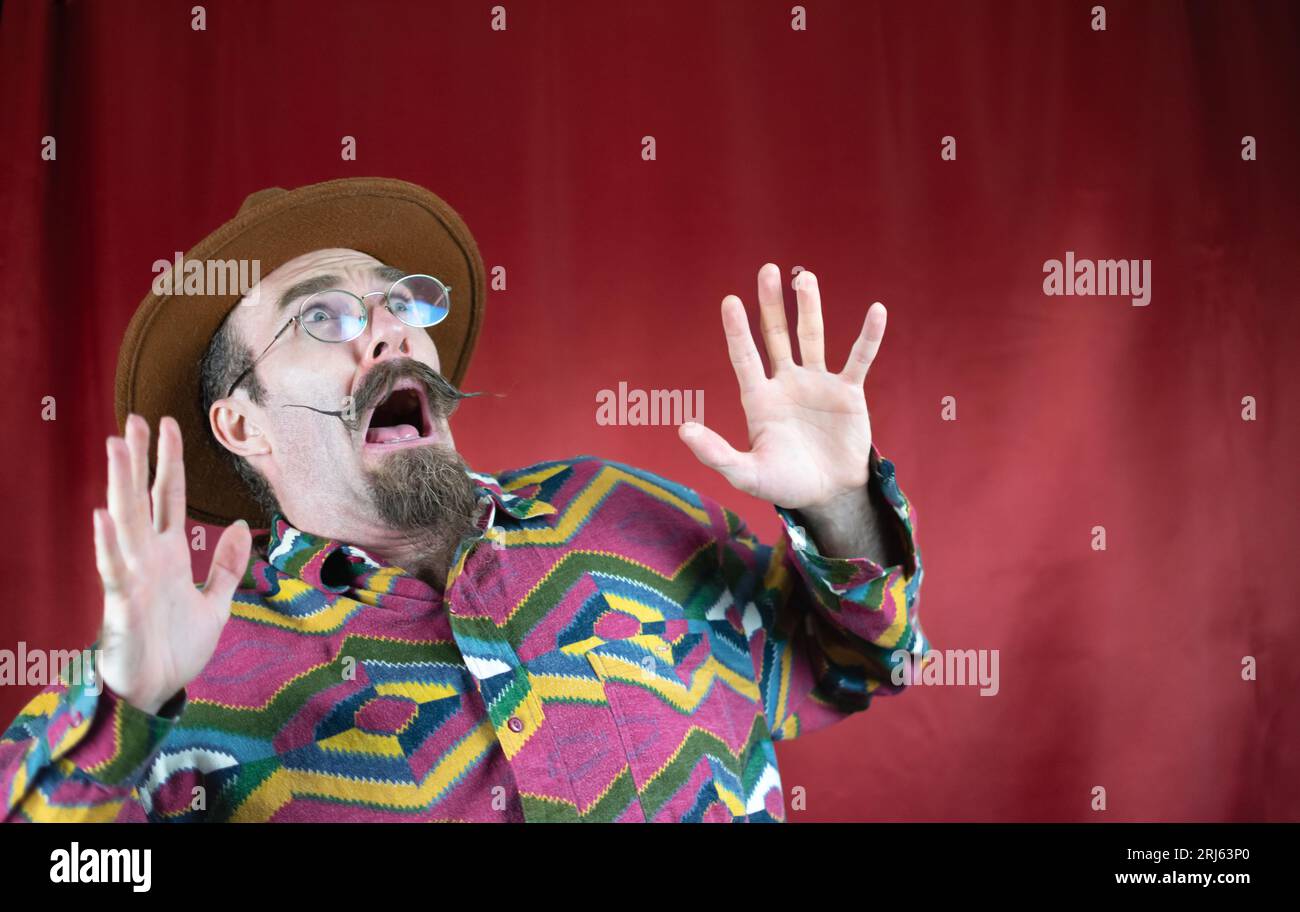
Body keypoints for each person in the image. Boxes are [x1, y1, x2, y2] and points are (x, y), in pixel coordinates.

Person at [1, 177, 926, 822]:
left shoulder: (620, 512)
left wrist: (840, 506)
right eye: (322, 317)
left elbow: (855, 665)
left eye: (401, 303)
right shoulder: (199, 675)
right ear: (242, 425)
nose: (389, 335)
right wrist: (123, 706)